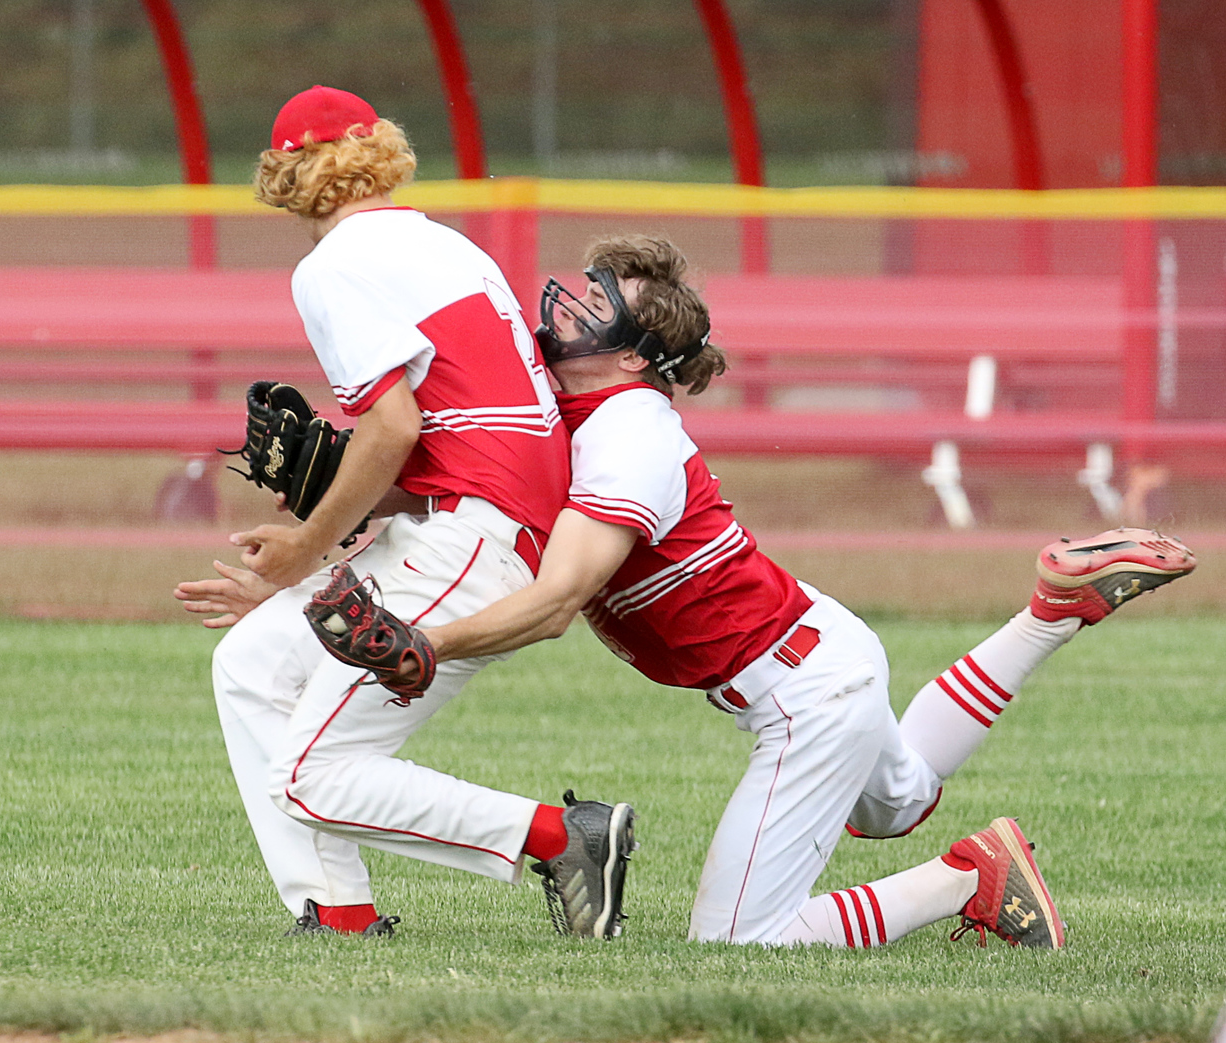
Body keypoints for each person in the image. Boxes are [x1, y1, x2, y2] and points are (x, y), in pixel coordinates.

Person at [390, 234, 1196, 948]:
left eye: (601, 302)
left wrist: (428, 644)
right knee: (894, 804)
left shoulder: (628, 433)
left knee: (737, 944)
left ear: (635, 354)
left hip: (803, 689)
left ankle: (962, 878)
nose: (572, 302)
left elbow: (558, 600)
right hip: (819, 647)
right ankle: (1051, 611)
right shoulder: (592, 415)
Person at [190, 85, 633, 939]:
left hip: (475, 529)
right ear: (384, 154)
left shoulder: (332, 265)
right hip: (477, 514)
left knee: (309, 776)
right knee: (250, 666)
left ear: (284, 176)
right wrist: (325, 541)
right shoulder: (446, 245)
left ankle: (559, 836)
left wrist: (307, 547)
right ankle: (339, 913)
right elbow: (458, 429)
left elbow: (394, 426)